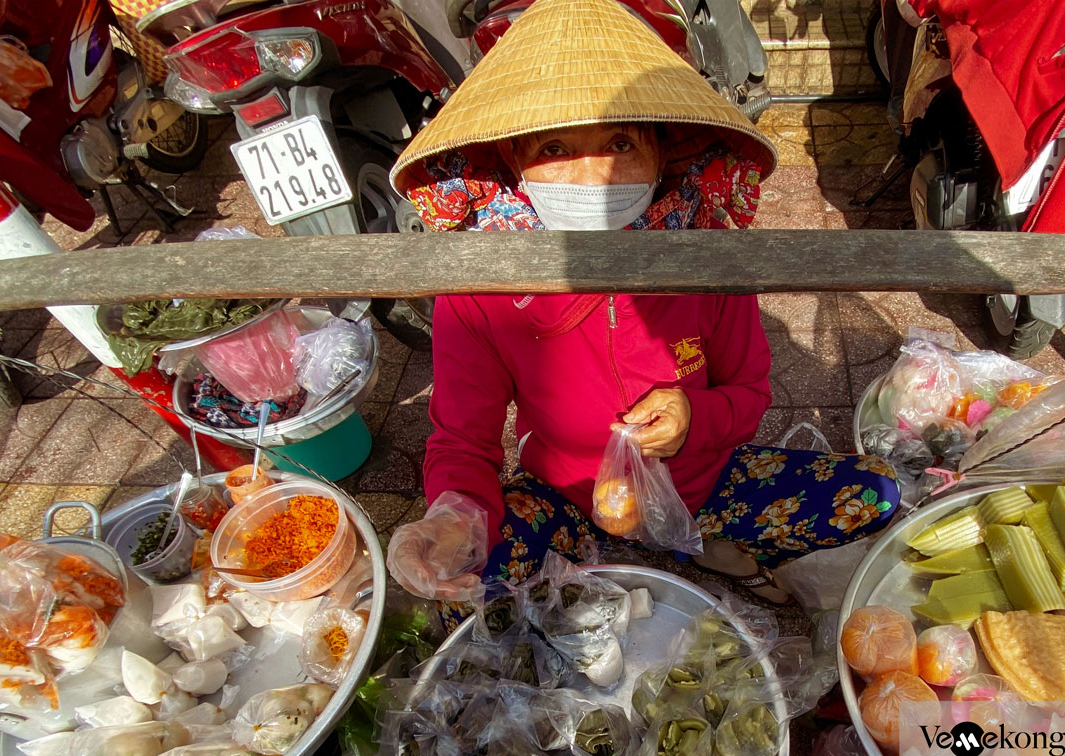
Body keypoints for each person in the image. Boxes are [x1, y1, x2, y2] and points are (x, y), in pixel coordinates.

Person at [384, 0, 900, 607]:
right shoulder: (482, 284)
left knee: (876, 494)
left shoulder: (708, 257)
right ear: (513, 161)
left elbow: (750, 395)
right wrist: (452, 517)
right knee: (464, 580)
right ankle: (623, 547)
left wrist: (691, 419)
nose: (593, 175)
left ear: (664, 156)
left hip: (703, 482)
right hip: (564, 493)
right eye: (554, 147)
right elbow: (463, 441)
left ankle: (692, 538)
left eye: (621, 141)